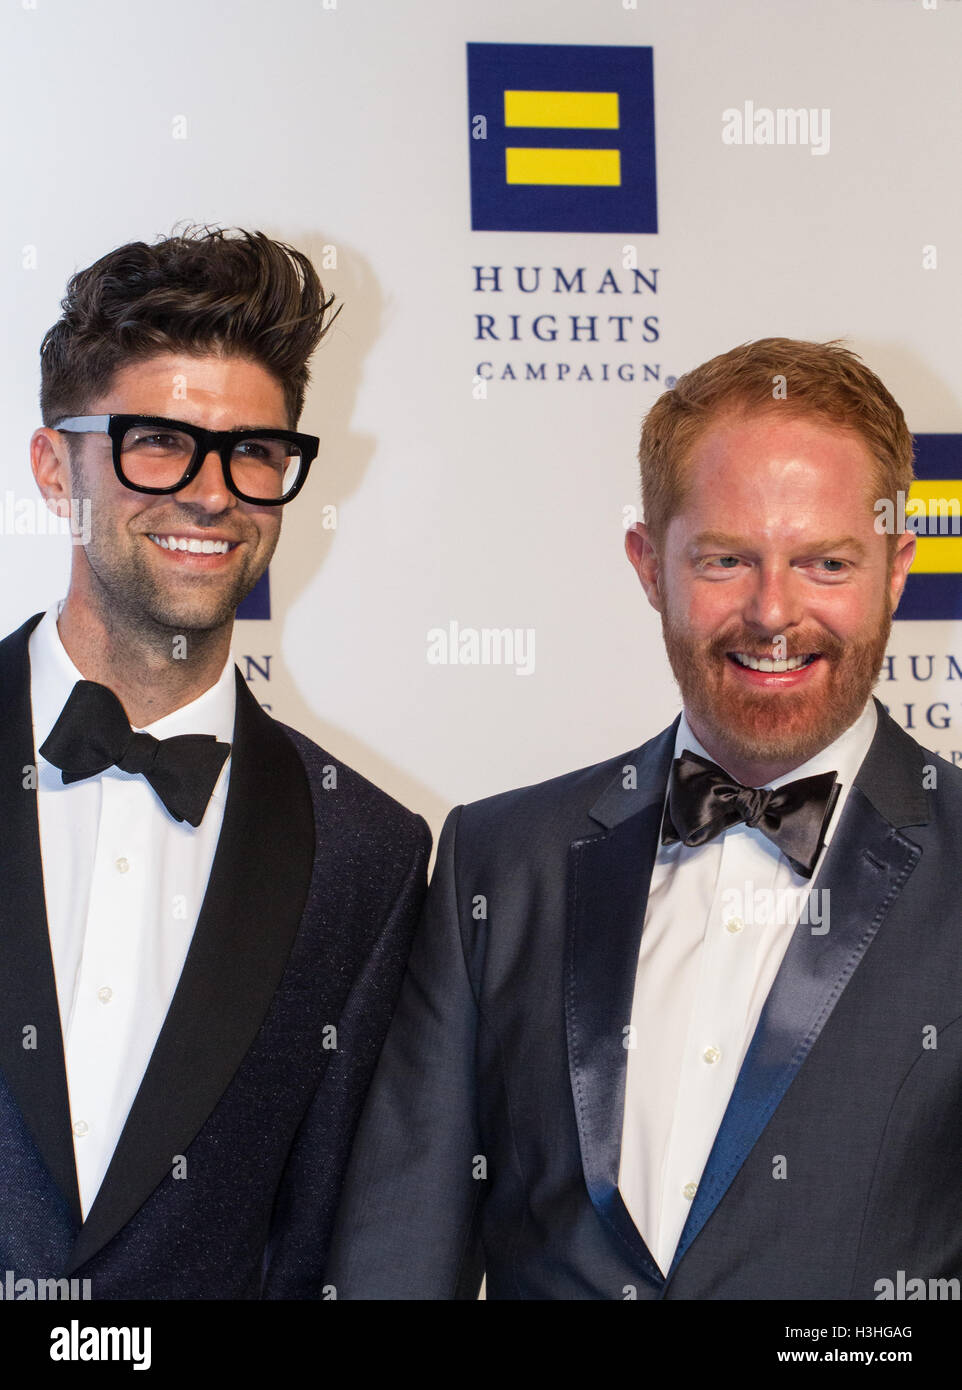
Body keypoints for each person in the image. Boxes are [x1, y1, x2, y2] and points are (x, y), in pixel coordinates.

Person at [326, 337, 960, 1301]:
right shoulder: (495, 865)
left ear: (896, 569)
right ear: (648, 566)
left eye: (826, 561)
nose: (774, 611)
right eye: (725, 559)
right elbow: (398, 1255)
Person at [0, 226, 429, 1299]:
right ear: (57, 467)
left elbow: (328, 1235)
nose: (211, 492)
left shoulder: (366, 854)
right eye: (156, 441)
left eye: (253, 452)